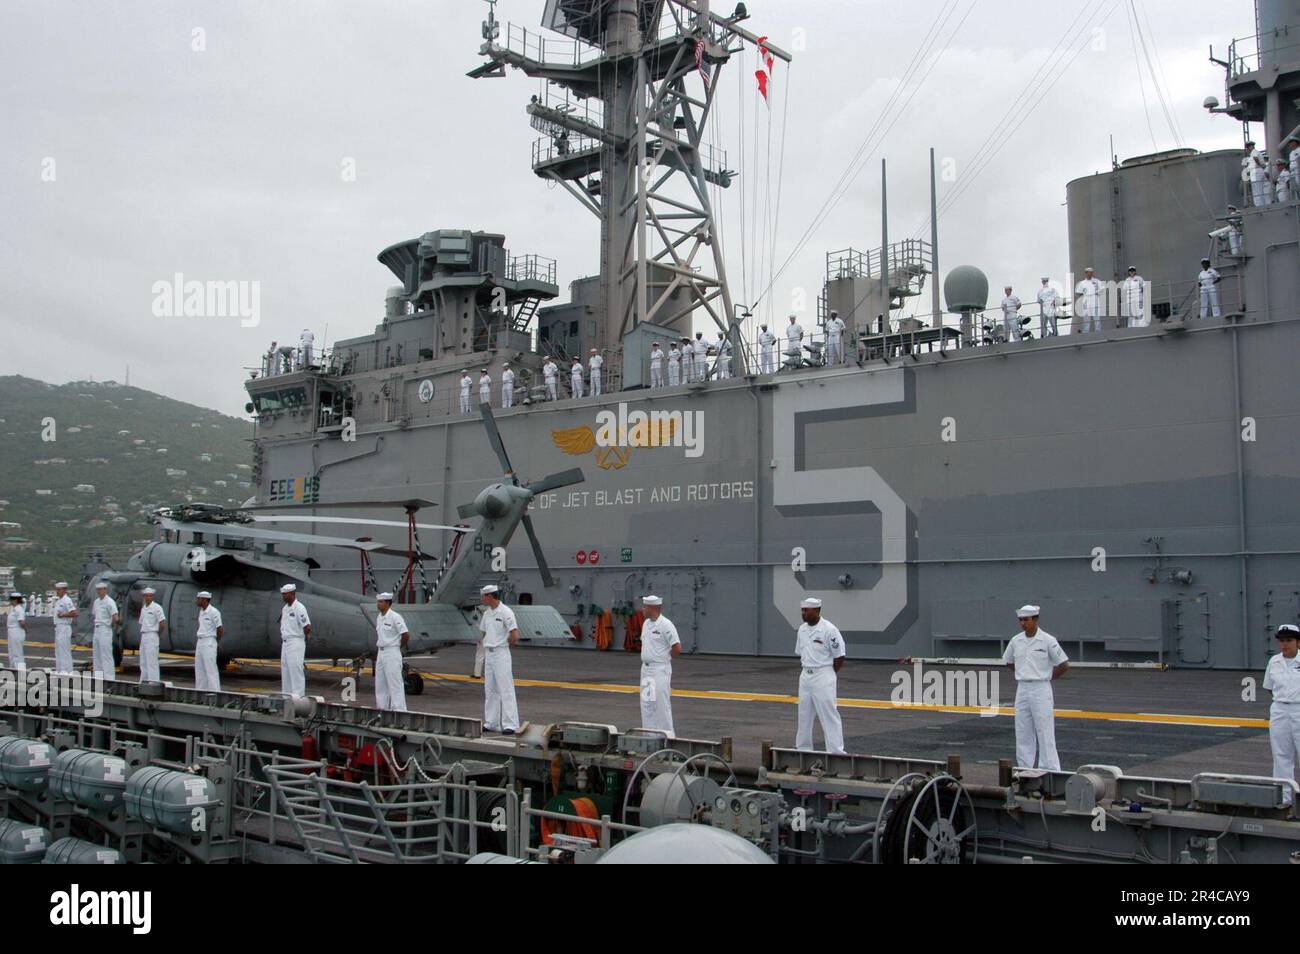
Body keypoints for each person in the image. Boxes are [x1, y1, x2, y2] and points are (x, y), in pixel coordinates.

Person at [1001, 605, 1069, 771]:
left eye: (1026, 619)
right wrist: (1022, 673)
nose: (1023, 623)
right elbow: (1008, 661)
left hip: (1041, 688)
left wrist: (1047, 677)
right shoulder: (1016, 641)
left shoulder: (1047, 640)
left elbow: (1064, 664)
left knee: (1044, 730)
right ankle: (1025, 769)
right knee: (1023, 730)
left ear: (1036, 620)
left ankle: (1050, 770)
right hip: (1022, 688)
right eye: (1021, 620)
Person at [794, 596, 846, 754]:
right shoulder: (802, 630)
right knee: (804, 714)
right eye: (802, 610)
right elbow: (800, 652)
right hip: (805, 675)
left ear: (817, 611)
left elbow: (839, 655)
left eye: (806, 611)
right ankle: (803, 749)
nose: (803, 614)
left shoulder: (829, 630)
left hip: (823, 674)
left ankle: (836, 751)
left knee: (828, 713)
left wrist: (829, 673)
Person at [1264, 624, 1300, 807]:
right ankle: (1285, 798)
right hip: (1279, 709)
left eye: (1289, 640)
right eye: (1282, 641)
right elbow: (1270, 687)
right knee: (1281, 755)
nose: (1285, 644)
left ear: (1298, 642)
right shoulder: (1274, 661)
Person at [478, 584, 520, 734]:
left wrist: (502, 643)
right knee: (490, 689)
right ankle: (492, 722)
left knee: (506, 689)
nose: (482, 598)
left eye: (484, 596)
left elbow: (514, 635)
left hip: (501, 653)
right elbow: (483, 632)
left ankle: (511, 724)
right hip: (489, 653)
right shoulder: (487, 613)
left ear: (490, 596)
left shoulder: (506, 612)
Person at [638, 595, 681, 736]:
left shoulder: (666, 624)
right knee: (647, 705)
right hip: (646, 670)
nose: (642, 609)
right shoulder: (646, 624)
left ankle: (668, 739)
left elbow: (677, 647)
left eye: (645, 607)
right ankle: (650, 739)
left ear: (652, 608)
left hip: (659, 670)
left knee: (662, 706)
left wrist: (664, 659)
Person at [373, 592, 409, 711]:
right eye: (378, 602)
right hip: (381, 652)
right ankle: (382, 709)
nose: (378, 604)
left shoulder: (395, 617)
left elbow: (405, 635)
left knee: (395, 684)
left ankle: (399, 711)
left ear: (388, 603)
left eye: (381, 602)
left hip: (392, 652)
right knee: (380, 684)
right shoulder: (379, 617)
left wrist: (398, 646)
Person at [279, 583, 311, 698]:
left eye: (285, 594)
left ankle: (298, 698)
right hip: (286, 642)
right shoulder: (285, 608)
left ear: (292, 594)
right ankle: (286, 698)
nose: (283, 596)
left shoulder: (299, 607)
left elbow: (307, 626)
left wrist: (305, 636)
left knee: (295, 670)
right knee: (286, 670)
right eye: (282, 594)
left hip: (296, 642)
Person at [193, 591, 224, 691]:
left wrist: (215, 641)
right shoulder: (201, 611)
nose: (197, 600)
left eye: (199, 599)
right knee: (199, 668)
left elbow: (220, 629)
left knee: (210, 669)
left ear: (205, 600)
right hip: (200, 641)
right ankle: (200, 691)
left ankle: (215, 691)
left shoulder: (214, 612)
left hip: (209, 641)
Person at [91, 581, 119, 678]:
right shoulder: (96, 602)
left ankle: (109, 678)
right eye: (97, 590)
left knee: (106, 655)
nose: (99, 592)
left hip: (105, 629)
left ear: (105, 590)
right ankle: (98, 677)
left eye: (101, 589)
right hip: (97, 629)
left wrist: (109, 625)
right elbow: (95, 615)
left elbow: (115, 617)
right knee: (97, 655)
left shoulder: (110, 602)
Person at [137, 586, 166, 682]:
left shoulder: (157, 608)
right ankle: (143, 682)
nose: (148, 598)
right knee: (143, 661)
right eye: (146, 596)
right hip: (144, 635)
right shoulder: (143, 608)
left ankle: (153, 682)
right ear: (144, 597)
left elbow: (162, 624)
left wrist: (158, 634)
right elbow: (141, 622)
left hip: (152, 635)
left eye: (150, 596)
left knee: (152, 661)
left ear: (152, 597)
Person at [51, 581, 77, 673]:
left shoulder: (67, 600)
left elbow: (74, 613)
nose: (57, 591)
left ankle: (66, 671)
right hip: (58, 627)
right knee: (58, 651)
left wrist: (63, 614)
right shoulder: (59, 601)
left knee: (64, 650)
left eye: (59, 590)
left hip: (64, 627)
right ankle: (60, 670)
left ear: (64, 590)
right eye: (57, 590)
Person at [1075, 268, 1102, 333]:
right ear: (1086, 273)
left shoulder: (1097, 281)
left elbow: (1102, 288)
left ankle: (1098, 330)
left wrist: (1099, 293)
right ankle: (1085, 331)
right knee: (1086, 317)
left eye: (1091, 272)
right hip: (1086, 300)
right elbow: (1078, 292)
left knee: (1096, 316)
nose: (1090, 274)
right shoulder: (1082, 283)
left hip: (1094, 299)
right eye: (1088, 272)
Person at [6, 592, 25, 670]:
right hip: (12, 632)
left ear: (16, 600)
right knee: (12, 652)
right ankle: (13, 669)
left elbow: (22, 622)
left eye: (12, 599)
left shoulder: (19, 609)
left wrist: (25, 629)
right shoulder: (14, 609)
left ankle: (19, 671)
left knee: (17, 653)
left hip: (17, 631)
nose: (11, 601)